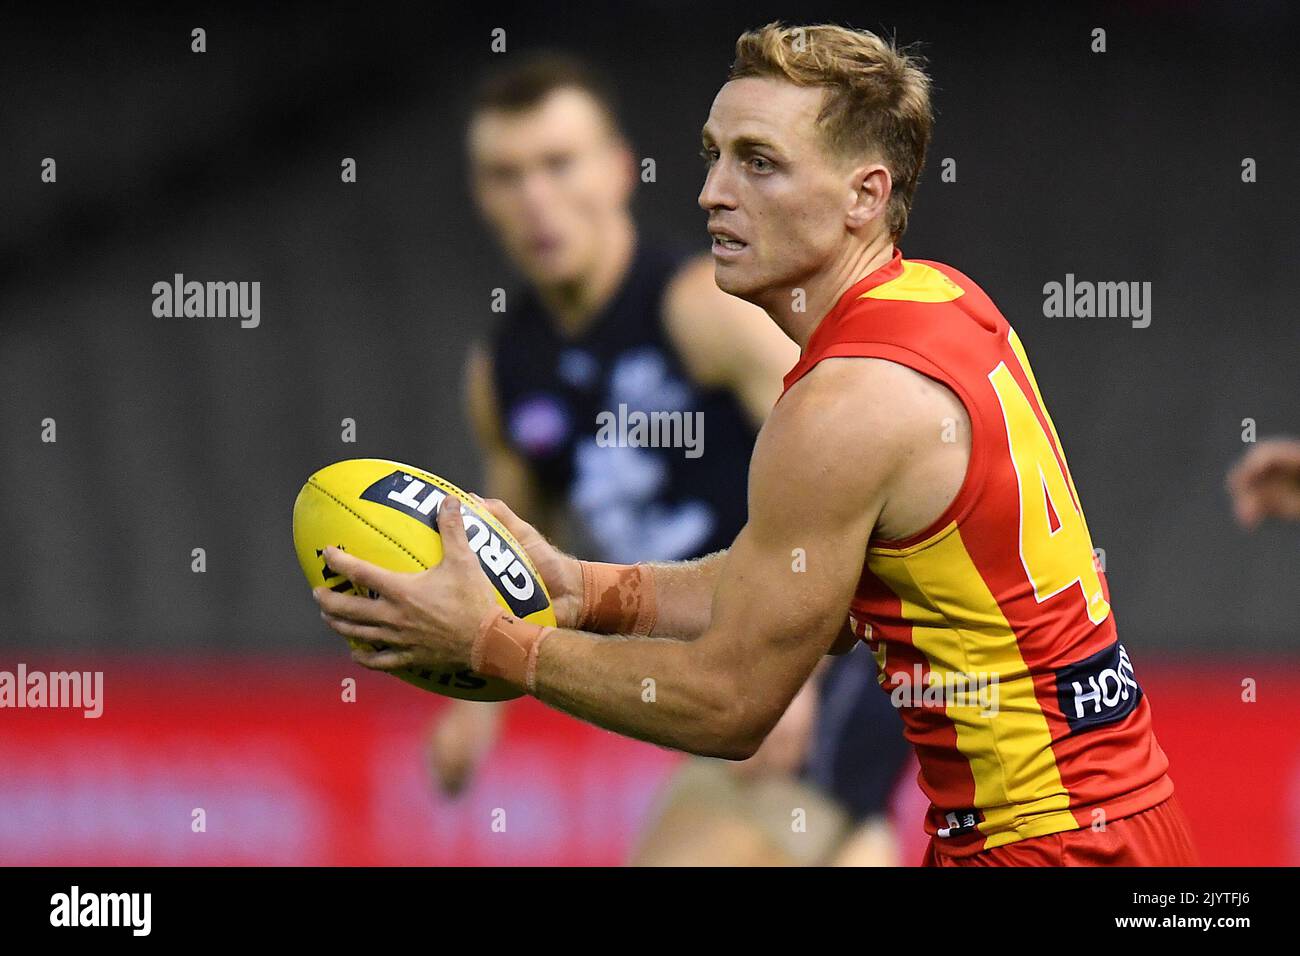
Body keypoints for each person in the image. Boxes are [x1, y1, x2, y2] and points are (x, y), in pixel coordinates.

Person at [316, 22, 1196, 866]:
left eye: (760, 163)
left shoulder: (839, 399)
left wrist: (492, 646)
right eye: (715, 155)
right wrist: (580, 587)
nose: (711, 192)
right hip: (1100, 814)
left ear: (867, 195)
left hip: (1047, 843)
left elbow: (731, 703)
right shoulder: (943, 300)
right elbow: (792, 573)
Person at [431, 53, 906, 865]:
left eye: (557, 163)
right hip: (722, 672)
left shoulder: (702, 309)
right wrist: (473, 708)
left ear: (618, 170)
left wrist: (795, 673)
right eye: (507, 174)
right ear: (482, 196)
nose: (536, 198)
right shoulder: (505, 371)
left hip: (832, 662)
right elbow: (513, 531)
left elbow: (862, 463)